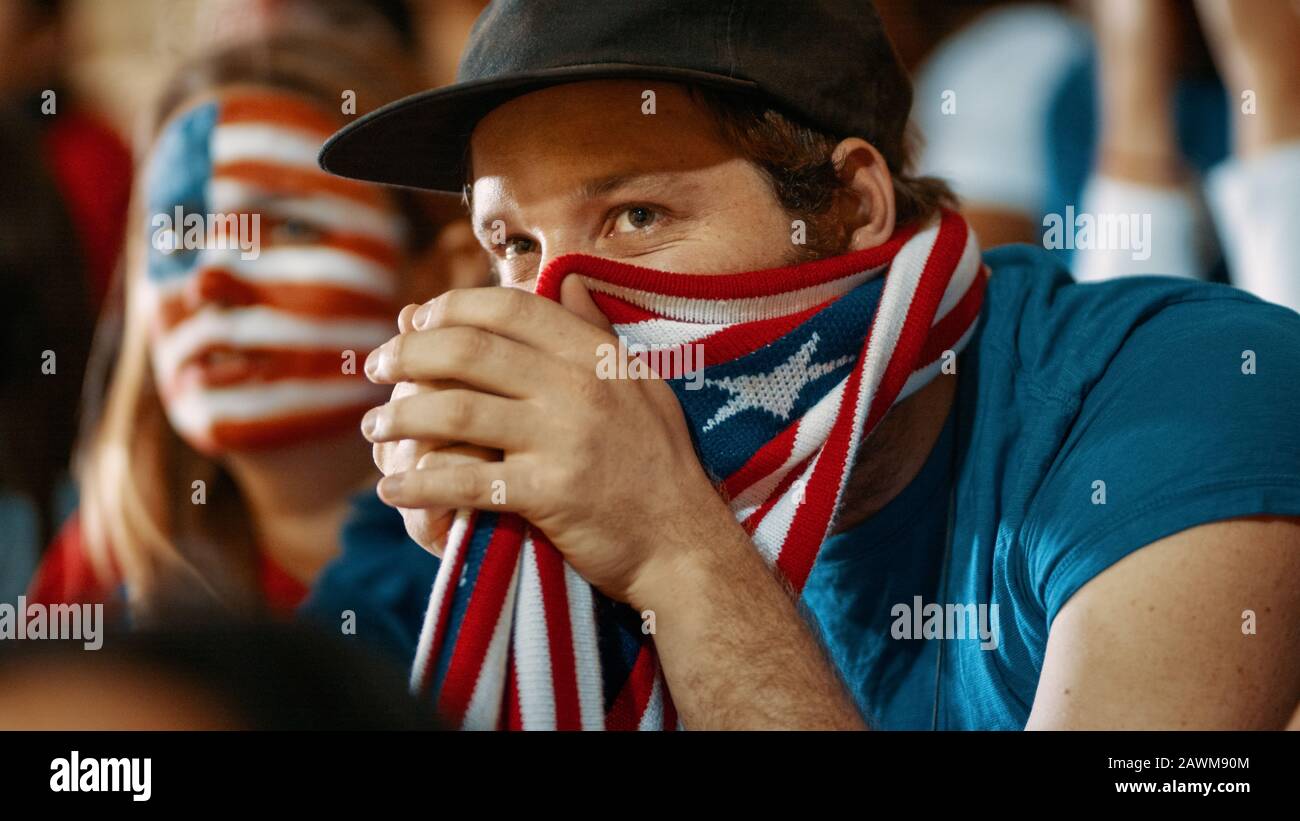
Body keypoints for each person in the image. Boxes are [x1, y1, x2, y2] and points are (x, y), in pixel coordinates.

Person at [321, 0, 1300, 730]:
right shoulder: (525, 528)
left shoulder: (1187, 389)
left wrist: (675, 553)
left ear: (854, 203)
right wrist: (516, 587)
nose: (559, 306)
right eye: (515, 244)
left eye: (636, 215)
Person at [27, 29, 489, 666]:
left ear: (443, 274)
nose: (212, 279)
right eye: (178, 239)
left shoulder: (511, 560)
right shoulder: (104, 571)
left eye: (290, 226)